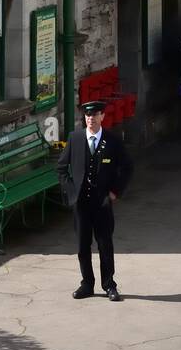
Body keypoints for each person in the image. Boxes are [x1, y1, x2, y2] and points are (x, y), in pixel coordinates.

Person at [57, 99, 133, 302]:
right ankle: (87, 284)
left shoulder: (113, 141)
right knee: (83, 245)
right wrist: (71, 191)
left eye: (95, 114)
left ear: (102, 116)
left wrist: (115, 191)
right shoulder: (75, 138)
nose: (91, 118)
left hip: (102, 202)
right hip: (81, 203)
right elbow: (61, 168)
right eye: (87, 115)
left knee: (105, 244)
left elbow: (127, 167)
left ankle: (109, 285)